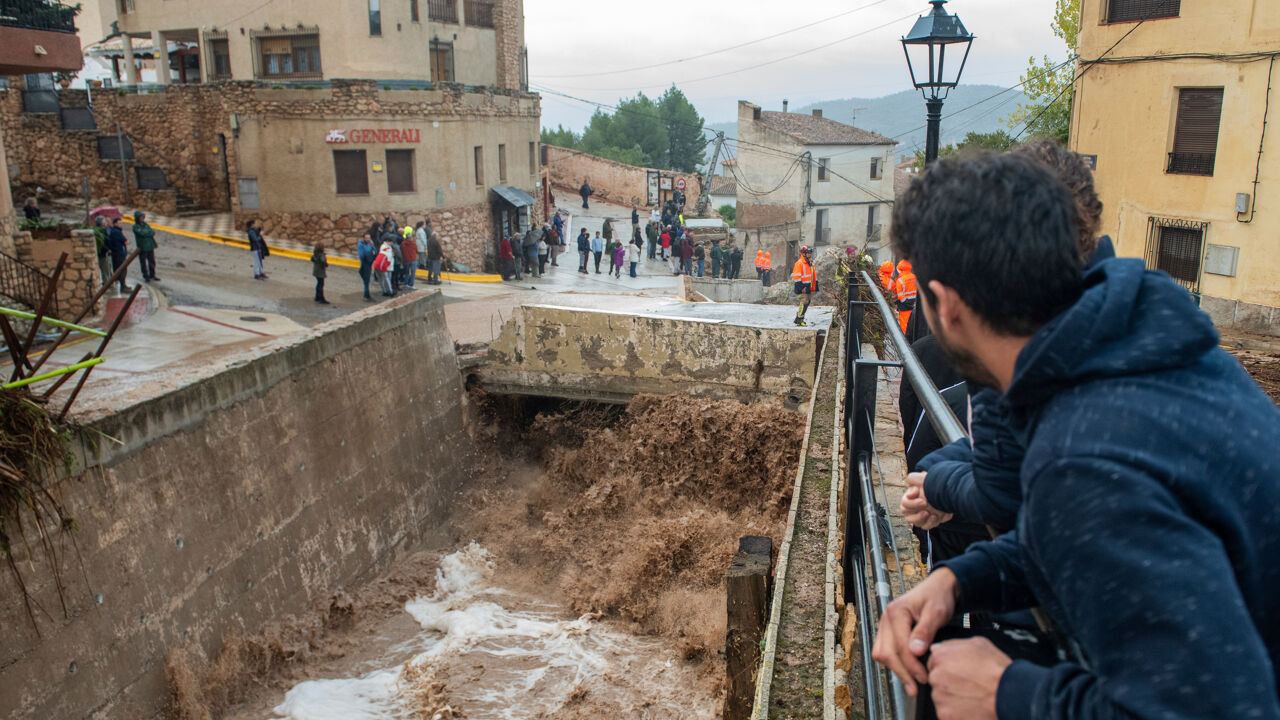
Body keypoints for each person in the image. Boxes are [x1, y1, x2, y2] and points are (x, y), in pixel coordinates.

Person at [872, 151, 1280, 720]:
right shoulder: (1139, 352)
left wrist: (1008, 692)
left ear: (948, 307)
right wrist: (961, 581)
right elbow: (1087, 537)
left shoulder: (1084, 454)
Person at [792, 244, 816, 326]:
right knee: (804, 303)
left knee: (806, 303)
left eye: (810, 252)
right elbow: (796, 277)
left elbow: (812, 275)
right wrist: (802, 287)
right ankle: (799, 320)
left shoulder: (809, 263)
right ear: (804, 253)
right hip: (802, 287)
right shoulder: (799, 263)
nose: (810, 254)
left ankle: (798, 319)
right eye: (808, 252)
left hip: (808, 287)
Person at [132, 211, 159, 282]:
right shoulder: (135, 227)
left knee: (152, 261)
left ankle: (152, 274)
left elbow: (152, 232)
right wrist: (148, 233)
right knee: (143, 262)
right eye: (141, 217)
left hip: (150, 246)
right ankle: (145, 275)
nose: (142, 218)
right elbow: (142, 233)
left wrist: (147, 233)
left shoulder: (146, 225)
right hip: (143, 247)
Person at [892, 259, 917, 333]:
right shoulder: (915, 277)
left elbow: (900, 294)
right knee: (914, 322)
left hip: (905, 306)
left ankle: (906, 341)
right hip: (915, 304)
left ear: (899, 269)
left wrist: (904, 302)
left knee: (905, 324)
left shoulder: (900, 280)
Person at [106, 218, 130, 292]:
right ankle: (123, 286)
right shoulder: (116, 232)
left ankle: (120, 284)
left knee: (119, 270)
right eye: (119, 223)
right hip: (119, 254)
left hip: (117, 253)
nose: (121, 225)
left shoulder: (114, 231)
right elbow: (125, 241)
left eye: (121, 223)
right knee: (122, 270)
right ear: (115, 224)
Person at [93, 216, 112, 287]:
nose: (106, 223)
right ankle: (106, 285)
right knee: (105, 271)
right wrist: (108, 249)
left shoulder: (98, 230)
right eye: (104, 221)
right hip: (103, 254)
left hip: (101, 254)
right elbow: (103, 243)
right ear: (101, 223)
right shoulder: (101, 232)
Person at [357, 232, 375, 300]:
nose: (368, 239)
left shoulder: (370, 244)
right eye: (366, 238)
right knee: (366, 280)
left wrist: (372, 246)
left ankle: (367, 294)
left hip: (369, 263)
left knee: (367, 280)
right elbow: (361, 254)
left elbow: (374, 251)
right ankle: (366, 295)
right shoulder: (361, 244)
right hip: (365, 263)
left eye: (369, 238)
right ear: (364, 238)